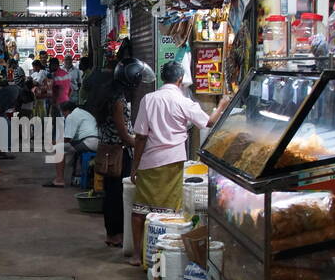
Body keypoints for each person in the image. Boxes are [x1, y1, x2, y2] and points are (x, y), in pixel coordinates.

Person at [130, 60, 230, 266]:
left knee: (140, 210)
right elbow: (208, 123)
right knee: (170, 213)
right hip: (173, 162)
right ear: (180, 79)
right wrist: (221, 105)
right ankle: (162, 259)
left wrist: (134, 165)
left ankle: (137, 256)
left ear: (162, 77)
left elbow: (140, 136)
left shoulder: (149, 99)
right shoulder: (185, 102)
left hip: (149, 162)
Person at [98, 60, 138, 247]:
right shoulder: (118, 102)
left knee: (111, 193)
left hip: (108, 151)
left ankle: (112, 233)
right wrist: (141, 144)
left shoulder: (108, 96)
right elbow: (123, 134)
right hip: (119, 154)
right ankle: (115, 234)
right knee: (117, 194)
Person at [45, 100, 98, 187]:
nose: (63, 116)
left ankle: (59, 180)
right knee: (68, 148)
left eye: (63, 113)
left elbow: (67, 139)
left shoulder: (71, 116)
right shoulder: (83, 113)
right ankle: (76, 176)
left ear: (67, 111)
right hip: (95, 141)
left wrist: (53, 142)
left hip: (89, 142)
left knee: (59, 148)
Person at [0, 83, 31, 160]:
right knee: (6, 125)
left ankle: (1, 151)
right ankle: (0, 151)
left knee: (7, 125)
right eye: (24, 101)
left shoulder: (16, 89)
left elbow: (2, 109)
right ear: (24, 96)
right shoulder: (14, 95)